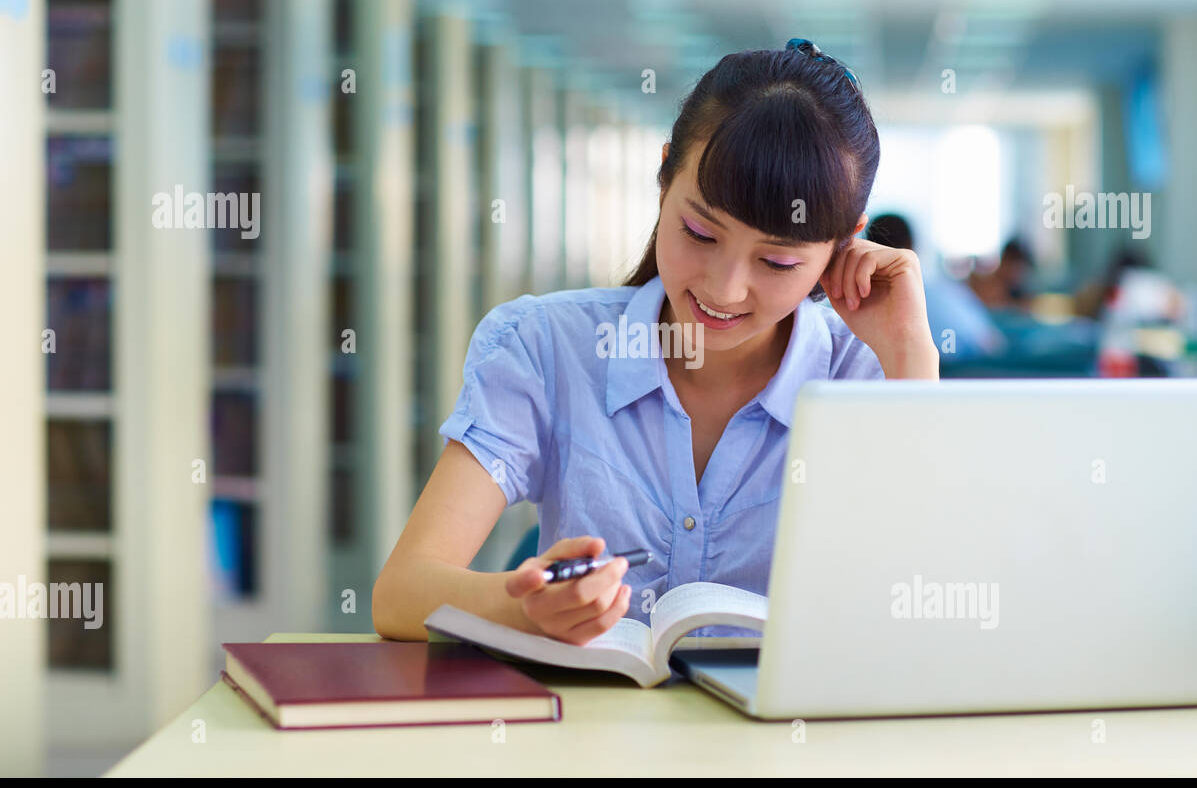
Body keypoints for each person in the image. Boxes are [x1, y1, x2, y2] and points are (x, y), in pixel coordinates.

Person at [373, 42, 939, 644]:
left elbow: (921, 620)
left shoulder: (865, 374)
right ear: (665, 175)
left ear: (843, 244)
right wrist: (524, 608)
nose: (725, 288)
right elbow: (401, 594)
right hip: (592, 736)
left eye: (776, 262)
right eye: (699, 232)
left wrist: (910, 356)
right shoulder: (547, 349)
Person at [867, 213, 1008, 359]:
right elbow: (990, 342)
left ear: (867, 245)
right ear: (912, 246)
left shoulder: (856, 306)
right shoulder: (943, 292)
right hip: (969, 371)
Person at [968, 237, 1036, 310]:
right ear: (1005, 261)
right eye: (1015, 267)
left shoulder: (1013, 292)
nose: (1017, 274)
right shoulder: (984, 286)